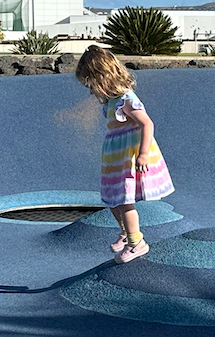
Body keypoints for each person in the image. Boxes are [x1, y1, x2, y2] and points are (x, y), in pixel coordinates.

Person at [74, 45, 174, 262]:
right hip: (115, 160)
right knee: (112, 199)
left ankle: (137, 243)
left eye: (91, 86)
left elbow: (147, 124)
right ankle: (125, 232)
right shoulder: (111, 101)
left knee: (124, 202)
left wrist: (143, 154)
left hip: (129, 158)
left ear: (103, 77)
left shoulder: (125, 99)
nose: (90, 92)